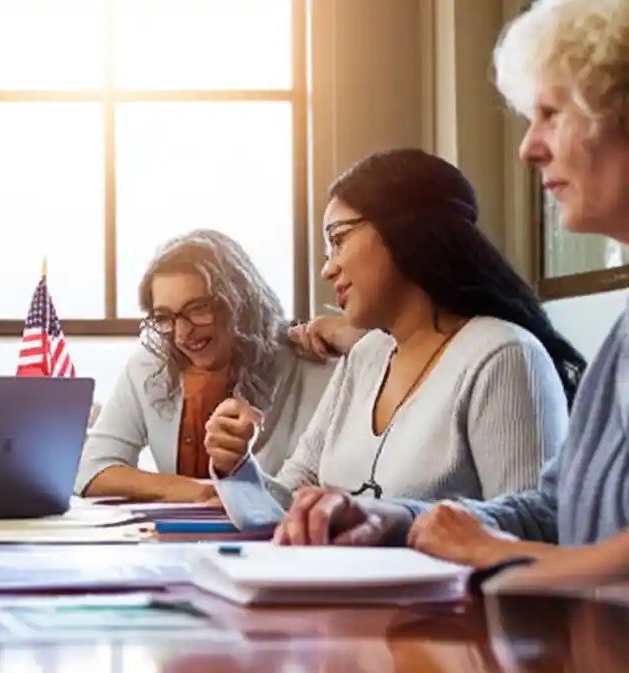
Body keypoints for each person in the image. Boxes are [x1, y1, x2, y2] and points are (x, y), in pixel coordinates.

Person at [275, 0, 629, 577]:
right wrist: (395, 519)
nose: (528, 147)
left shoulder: (501, 352)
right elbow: (553, 512)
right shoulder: (623, 337)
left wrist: (503, 559)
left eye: (551, 113)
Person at [219, 148, 582, 511]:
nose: (327, 269)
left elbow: (531, 531)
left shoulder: (502, 354)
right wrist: (236, 466)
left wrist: (381, 520)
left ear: (403, 230)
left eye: (338, 240)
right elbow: (288, 501)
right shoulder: (366, 356)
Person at [76, 230, 336, 502]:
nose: (181, 334)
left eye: (198, 309)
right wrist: (197, 490)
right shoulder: (151, 364)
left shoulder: (308, 363)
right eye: (164, 317)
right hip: (178, 540)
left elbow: (308, 491)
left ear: (241, 303)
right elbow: (92, 470)